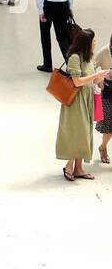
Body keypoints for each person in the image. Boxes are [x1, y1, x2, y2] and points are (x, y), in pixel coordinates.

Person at [57, 29, 110, 180]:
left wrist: (100, 80)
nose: (95, 42)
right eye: (93, 40)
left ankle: (79, 168)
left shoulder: (90, 57)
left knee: (86, 132)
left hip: (87, 98)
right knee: (77, 132)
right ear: (86, 43)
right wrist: (96, 75)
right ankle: (69, 165)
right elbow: (77, 81)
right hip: (76, 100)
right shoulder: (75, 58)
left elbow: (92, 79)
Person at [94, 31, 112, 165]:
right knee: (109, 127)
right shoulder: (105, 51)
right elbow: (93, 66)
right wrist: (100, 79)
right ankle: (103, 146)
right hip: (108, 92)